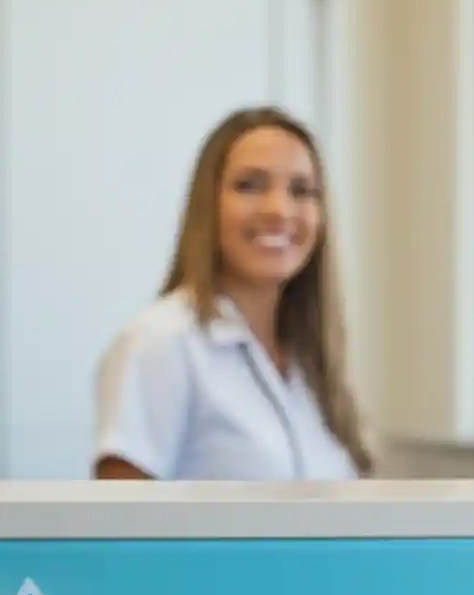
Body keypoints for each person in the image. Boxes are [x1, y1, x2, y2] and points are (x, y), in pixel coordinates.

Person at [93, 106, 373, 480]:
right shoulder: (160, 342)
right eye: (250, 185)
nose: (279, 209)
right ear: (208, 205)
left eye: (301, 190)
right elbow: (120, 513)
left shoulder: (311, 362)